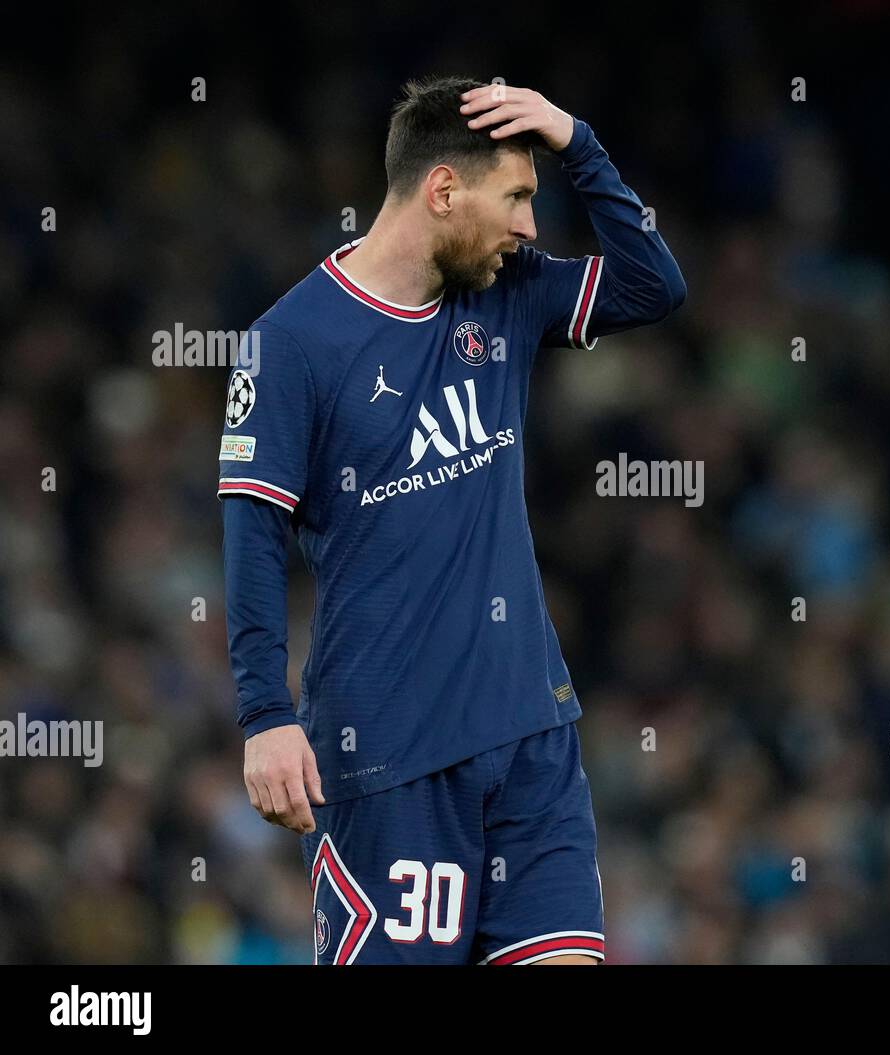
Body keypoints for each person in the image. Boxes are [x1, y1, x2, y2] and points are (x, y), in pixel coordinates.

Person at [218, 74, 686, 964]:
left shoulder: (507, 291)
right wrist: (263, 715)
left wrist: (575, 141)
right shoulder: (291, 341)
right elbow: (252, 531)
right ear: (443, 191)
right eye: (515, 197)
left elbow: (652, 286)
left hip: (528, 730)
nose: (528, 227)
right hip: (390, 748)